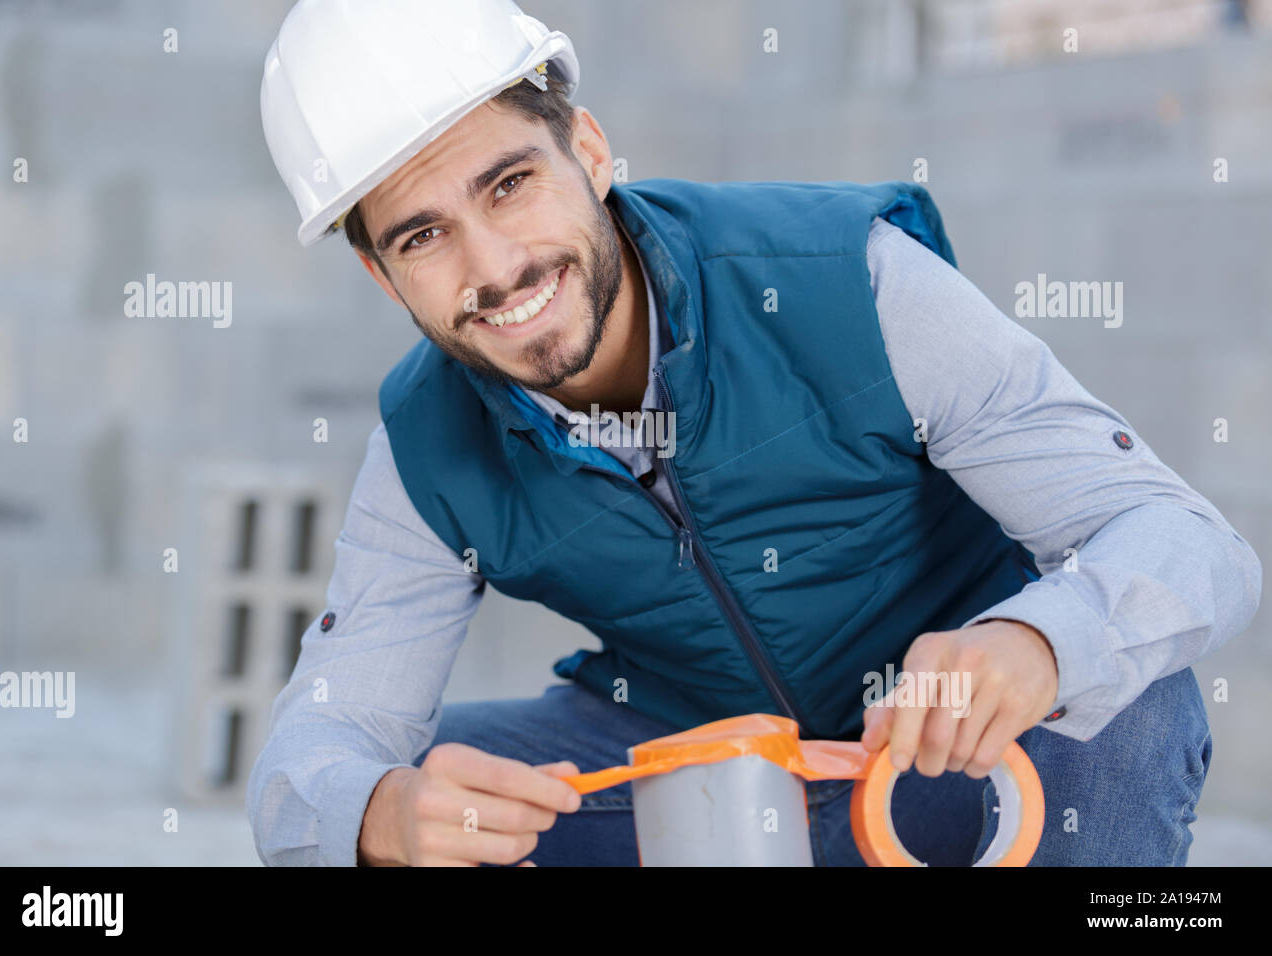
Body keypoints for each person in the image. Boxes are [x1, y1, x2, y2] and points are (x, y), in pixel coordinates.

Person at [247, 0, 1261, 867]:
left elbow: (1188, 542)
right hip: (700, 783)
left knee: (1124, 698)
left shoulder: (845, 282)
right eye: (421, 236)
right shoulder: (427, 443)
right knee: (419, 806)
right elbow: (319, 742)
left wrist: (1037, 639)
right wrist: (379, 815)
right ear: (384, 276)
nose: (494, 264)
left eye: (509, 183)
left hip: (952, 764)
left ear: (588, 151)